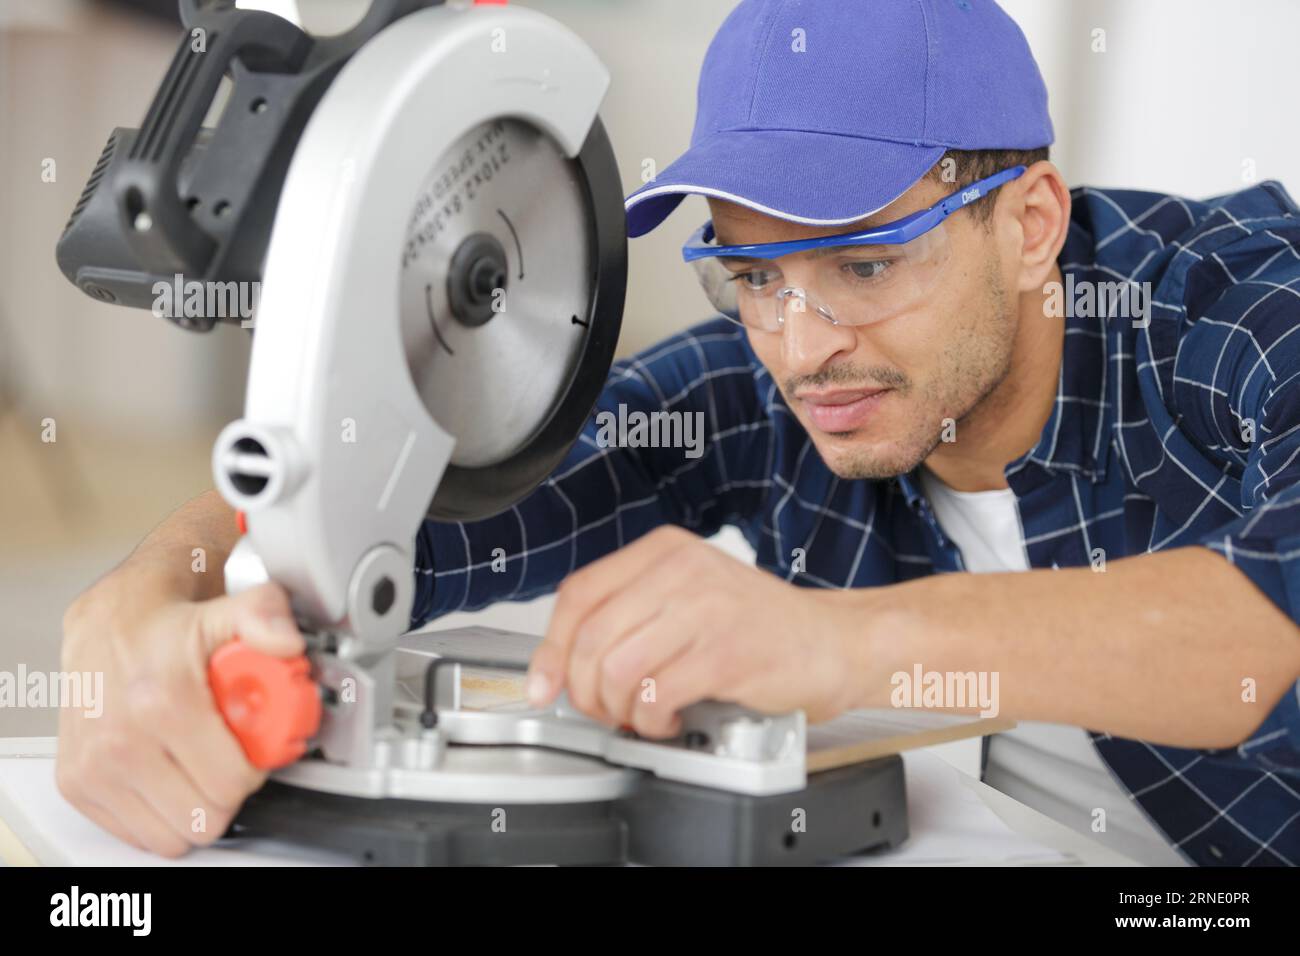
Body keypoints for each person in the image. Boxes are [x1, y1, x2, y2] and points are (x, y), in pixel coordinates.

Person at [59, 0, 1300, 865]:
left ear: (1029, 224)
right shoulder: (769, 380)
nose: (803, 345)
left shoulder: (1242, 314)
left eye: (863, 263)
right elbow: (408, 510)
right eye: (751, 277)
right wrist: (144, 599)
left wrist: (831, 642)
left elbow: (1266, 620)